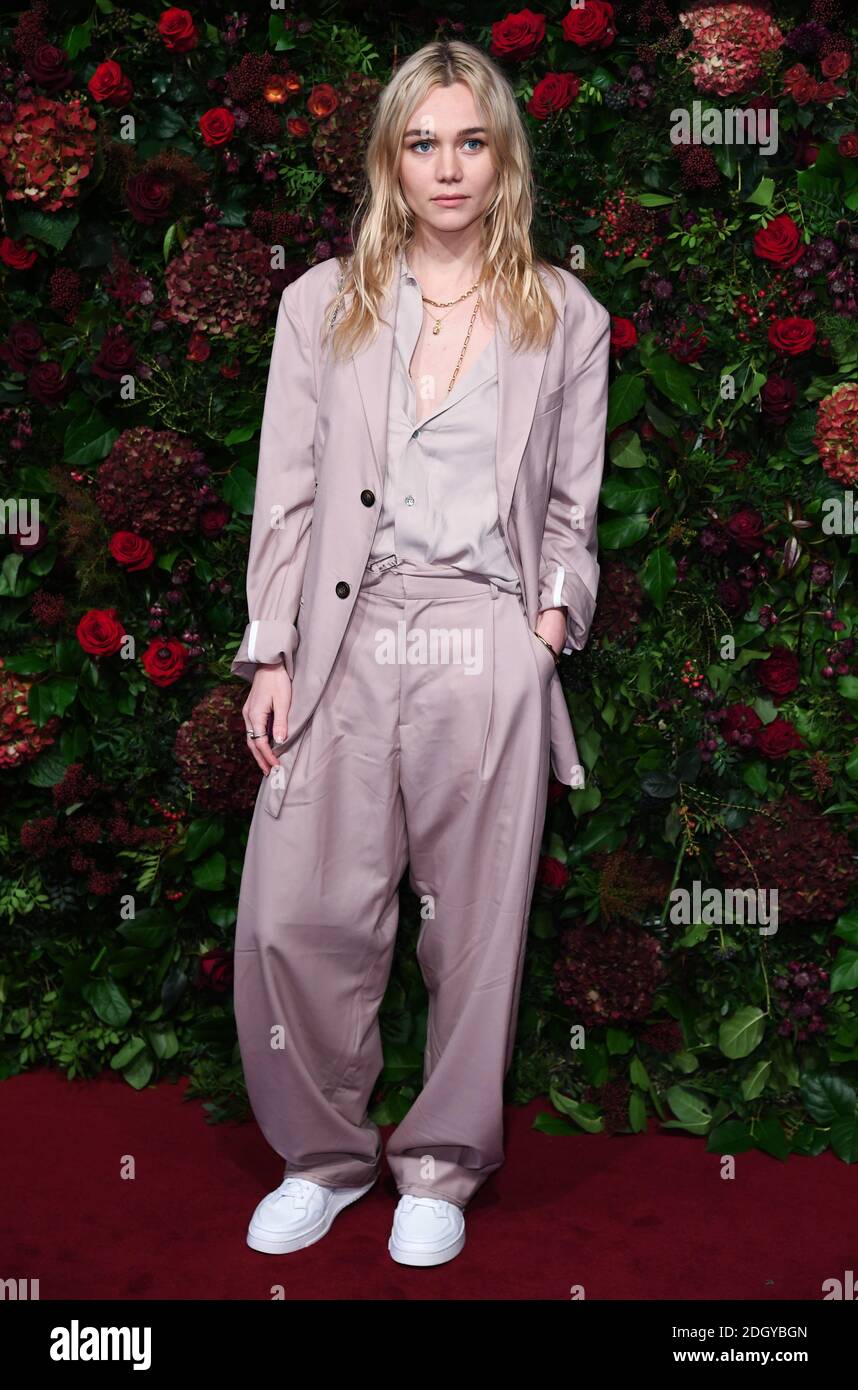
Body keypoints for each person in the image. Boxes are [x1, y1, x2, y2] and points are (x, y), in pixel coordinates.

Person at [230, 38, 611, 1268]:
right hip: (345, 633)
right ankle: (326, 1157)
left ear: (504, 156)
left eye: (472, 140)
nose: (449, 167)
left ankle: (440, 1164)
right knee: (300, 911)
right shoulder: (321, 304)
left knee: (475, 926)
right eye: (422, 141)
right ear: (392, 159)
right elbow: (286, 497)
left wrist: (542, 637)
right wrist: (272, 655)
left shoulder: (566, 315)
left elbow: (572, 515)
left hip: (485, 641)